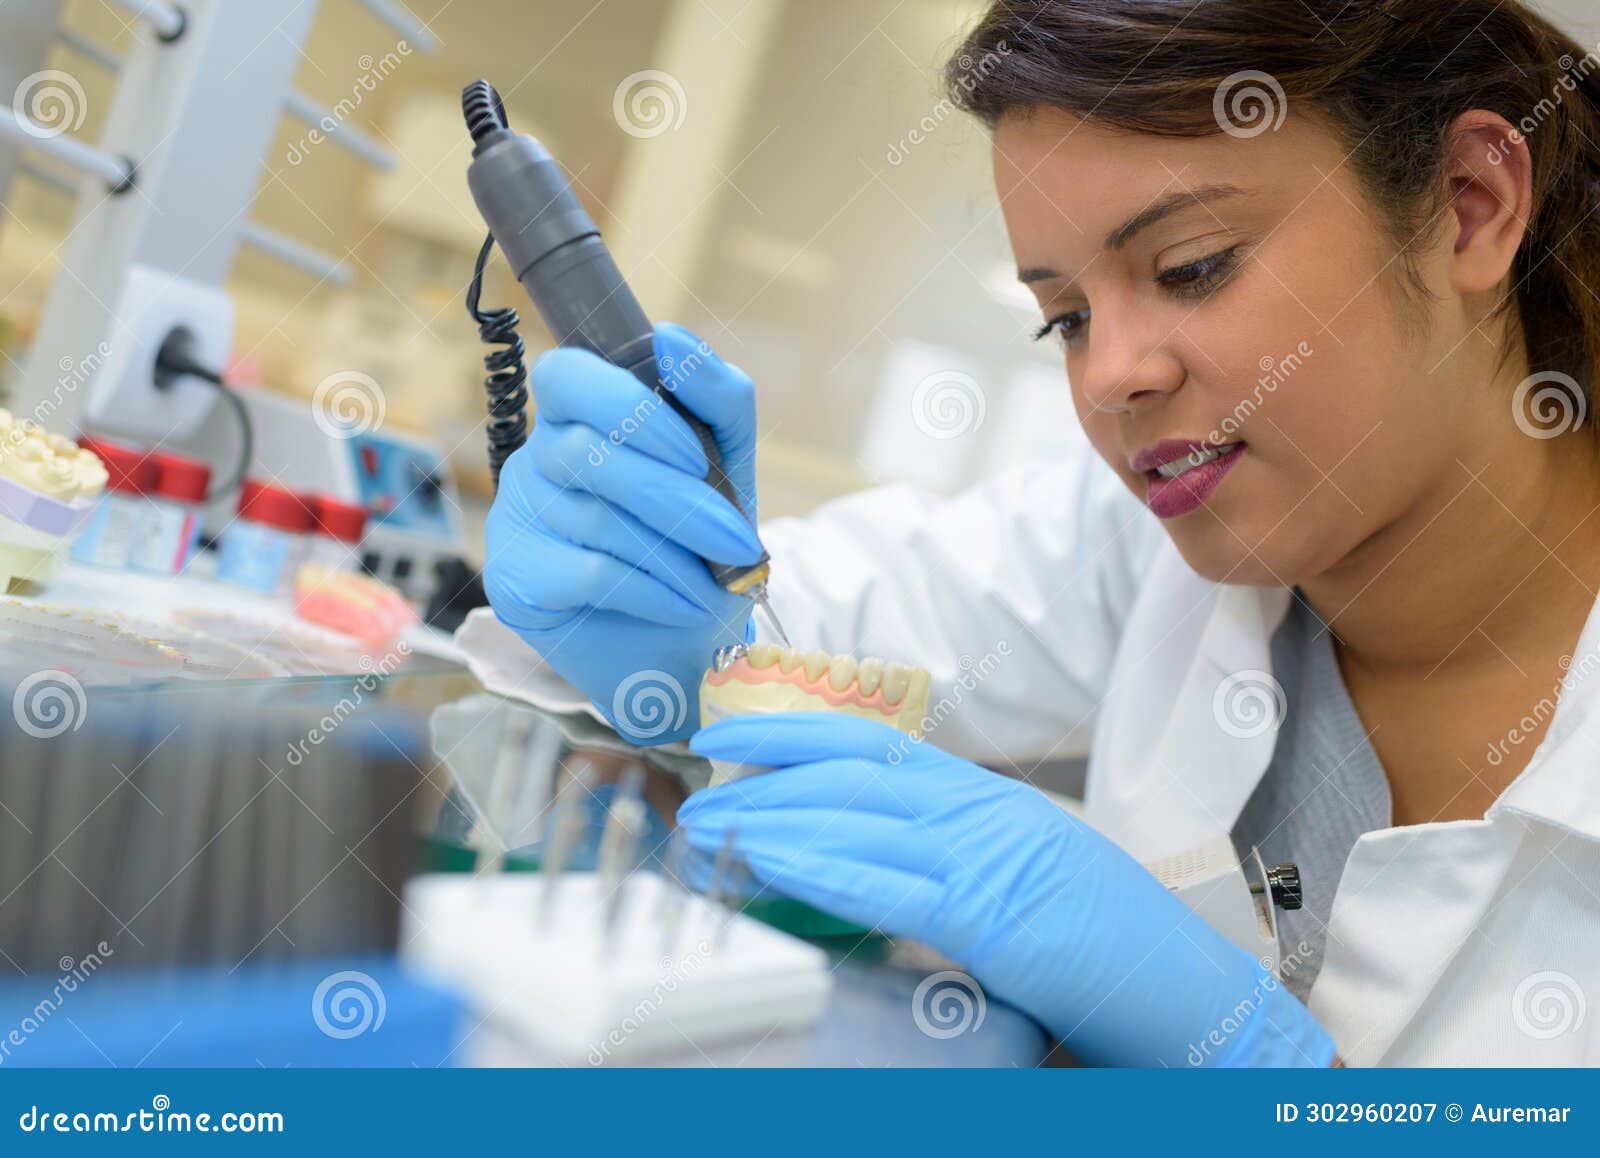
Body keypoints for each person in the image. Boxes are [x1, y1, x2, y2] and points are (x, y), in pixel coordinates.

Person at [482, 0, 1600, 1066]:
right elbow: (795, 629)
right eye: (1064, 319)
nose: (1110, 376)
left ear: (1467, 204)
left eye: (1191, 266)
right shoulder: (1146, 540)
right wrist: (649, 591)